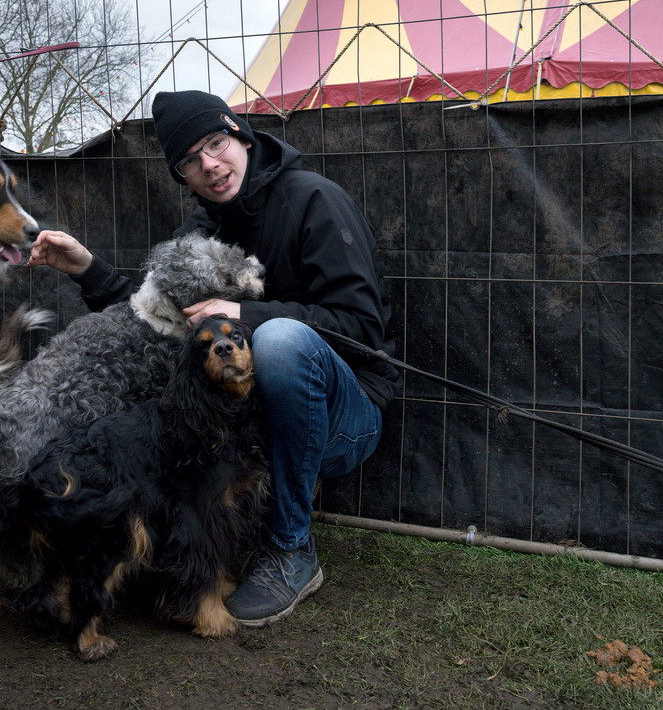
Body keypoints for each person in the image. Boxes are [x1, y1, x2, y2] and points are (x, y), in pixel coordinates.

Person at [27, 89, 399, 627]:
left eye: (216, 143)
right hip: (249, 419)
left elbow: (363, 328)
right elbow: (149, 318)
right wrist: (87, 268)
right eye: (189, 161)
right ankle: (138, 541)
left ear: (241, 136)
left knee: (280, 342)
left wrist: (247, 315)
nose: (209, 165)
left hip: (345, 418)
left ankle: (291, 549)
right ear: (183, 176)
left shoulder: (315, 200)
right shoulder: (201, 231)